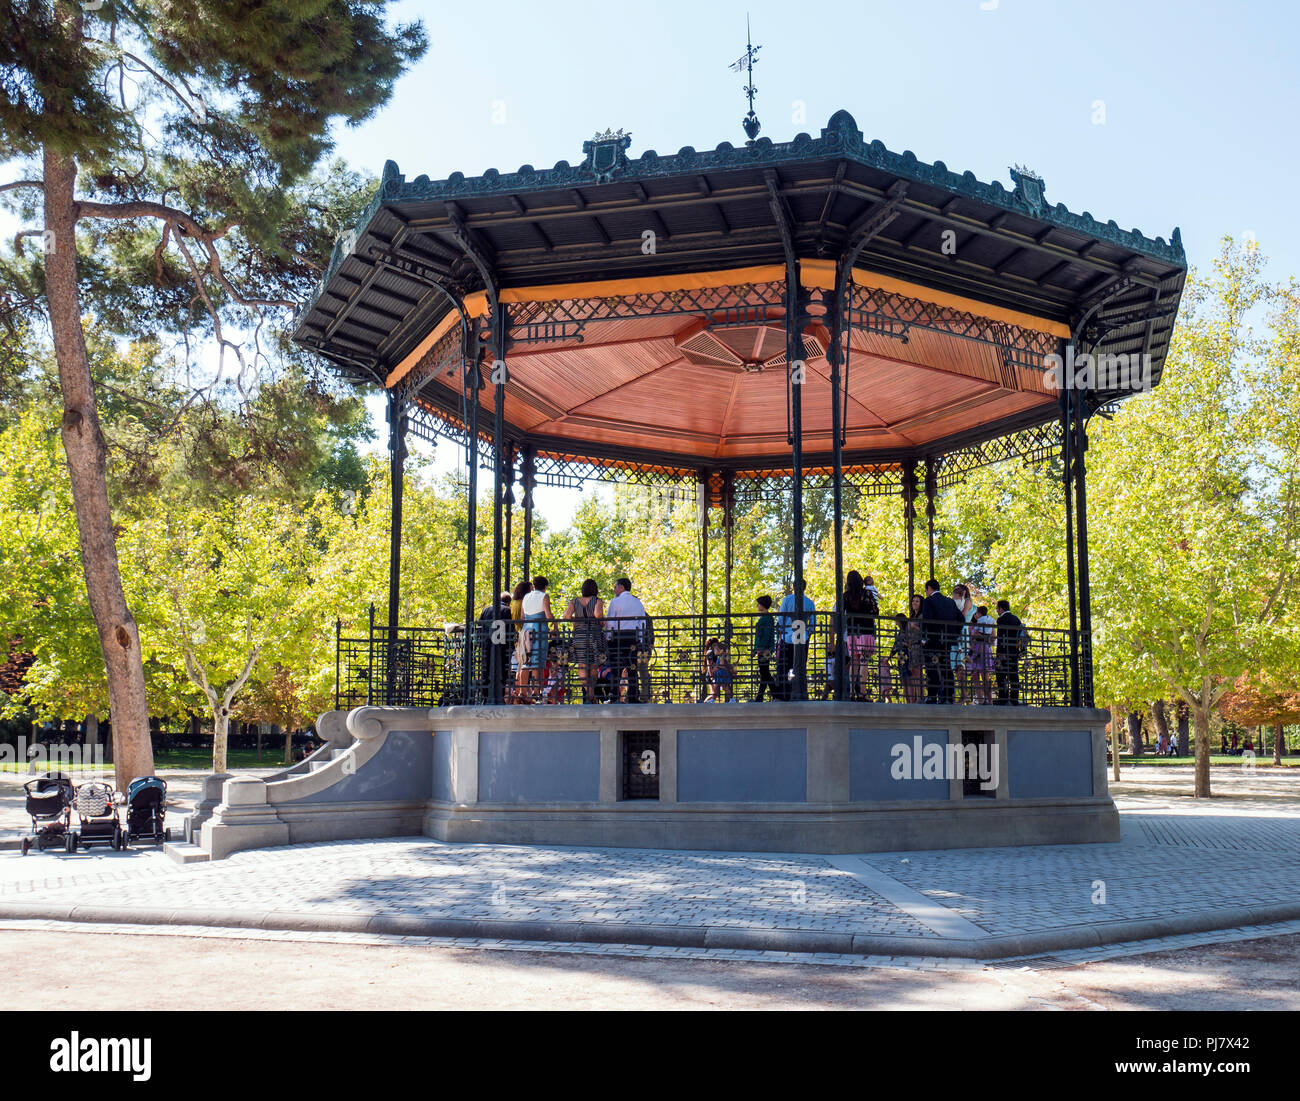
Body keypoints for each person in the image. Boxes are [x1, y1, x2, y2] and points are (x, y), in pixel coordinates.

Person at [920, 579, 963, 704]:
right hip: (947, 640)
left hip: (932, 640)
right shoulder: (950, 601)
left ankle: (932, 696)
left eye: (926, 590)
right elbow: (961, 618)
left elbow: (927, 620)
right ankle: (948, 696)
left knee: (931, 667)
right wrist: (954, 634)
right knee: (946, 667)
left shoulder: (928, 601)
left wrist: (924, 638)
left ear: (929, 588)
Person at [605, 577, 647, 703]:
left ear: (621, 587)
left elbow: (610, 621)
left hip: (618, 637)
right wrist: (640, 638)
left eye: (615, 586)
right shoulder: (637, 602)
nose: (614, 589)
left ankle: (614, 696)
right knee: (632, 667)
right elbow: (642, 622)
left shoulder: (615, 602)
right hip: (632, 637)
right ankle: (633, 696)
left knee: (615, 667)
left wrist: (608, 637)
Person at [563, 579, 604, 704]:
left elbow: (566, 615)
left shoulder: (574, 601)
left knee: (582, 664)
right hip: (594, 635)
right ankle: (591, 693)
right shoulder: (597, 601)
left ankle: (589, 693)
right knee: (593, 664)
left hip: (579, 635)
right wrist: (602, 621)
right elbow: (597, 614)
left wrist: (576, 621)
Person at [837, 570, 876, 701]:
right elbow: (875, 610)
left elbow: (841, 613)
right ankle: (863, 693)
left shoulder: (846, 596)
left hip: (852, 631)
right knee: (864, 661)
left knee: (854, 662)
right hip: (866, 630)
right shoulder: (867, 593)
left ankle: (851, 692)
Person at [515, 576, 553, 704]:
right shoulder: (544, 596)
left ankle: (522, 692)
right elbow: (548, 615)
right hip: (539, 629)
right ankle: (536, 692)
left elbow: (522, 616)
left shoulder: (526, 597)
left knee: (526, 661)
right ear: (544, 587)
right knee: (538, 661)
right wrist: (555, 625)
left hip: (526, 629)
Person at [776, 579, 816, 700]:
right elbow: (813, 623)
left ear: (793, 587)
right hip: (802, 638)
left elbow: (780, 618)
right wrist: (807, 633)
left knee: (784, 666)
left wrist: (784, 631)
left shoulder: (787, 600)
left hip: (787, 637)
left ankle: (784, 694)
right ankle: (801, 692)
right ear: (805, 588)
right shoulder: (809, 602)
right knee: (800, 666)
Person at [994, 599, 1023, 706]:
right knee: (1014, 675)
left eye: (997, 609)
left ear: (1001, 609)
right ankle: (1014, 699)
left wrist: (1001, 652)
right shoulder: (1016, 619)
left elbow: (1001, 637)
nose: (997, 611)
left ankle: (1003, 699)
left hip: (1003, 652)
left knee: (1001, 675)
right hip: (1014, 652)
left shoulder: (1001, 619)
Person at [951, 583, 976, 704]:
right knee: (957, 666)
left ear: (964, 592)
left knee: (961, 666)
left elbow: (963, 615)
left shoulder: (967, 601)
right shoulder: (960, 601)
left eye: (958, 591)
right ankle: (962, 694)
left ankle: (964, 695)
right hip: (957, 632)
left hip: (962, 631)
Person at [752, 595, 777, 701]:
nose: (757, 606)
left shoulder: (766, 619)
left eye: (758, 604)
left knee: (765, 673)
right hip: (765, 649)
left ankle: (776, 694)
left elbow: (764, 636)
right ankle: (761, 696)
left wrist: (760, 648)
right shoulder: (768, 618)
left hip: (764, 650)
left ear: (762, 605)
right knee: (764, 672)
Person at [970, 605, 995, 705]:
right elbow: (970, 637)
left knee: (985, 676)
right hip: (973, 649)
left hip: (984, 649)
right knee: (974, 675)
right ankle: (980, 700)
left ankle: (990, 700)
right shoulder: (972, 624)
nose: (976, 614)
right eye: (975, 613)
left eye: (977, 613)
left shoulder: (988, 624)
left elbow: (993, 637)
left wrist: (981, 636)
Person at [903, 594, 925, 703]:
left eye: (917, 601)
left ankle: (920, 696)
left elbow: (924, 631)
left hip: (918, 646)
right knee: (913, 673)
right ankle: (917, 696)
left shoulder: (922, 616)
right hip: (911, 647)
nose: (914, 603)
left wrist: (914, 626)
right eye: (913, 601)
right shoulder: (912, 616)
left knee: (918, 671)